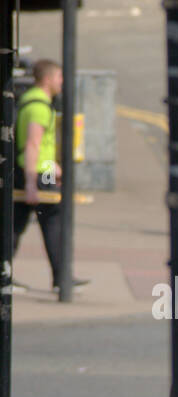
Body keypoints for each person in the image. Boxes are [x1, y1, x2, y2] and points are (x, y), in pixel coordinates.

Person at [14, 59, 85, 292]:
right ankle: (61, 278)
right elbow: (33, 144)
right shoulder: (39, 106)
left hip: (34, 170)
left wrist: (55, 167)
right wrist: (33, 183)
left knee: (16, 224)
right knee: (54, 220)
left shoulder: (32, 100)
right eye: (59, 77)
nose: (61, 82)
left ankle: (7, 274)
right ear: (47, 79)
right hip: (36, 173)